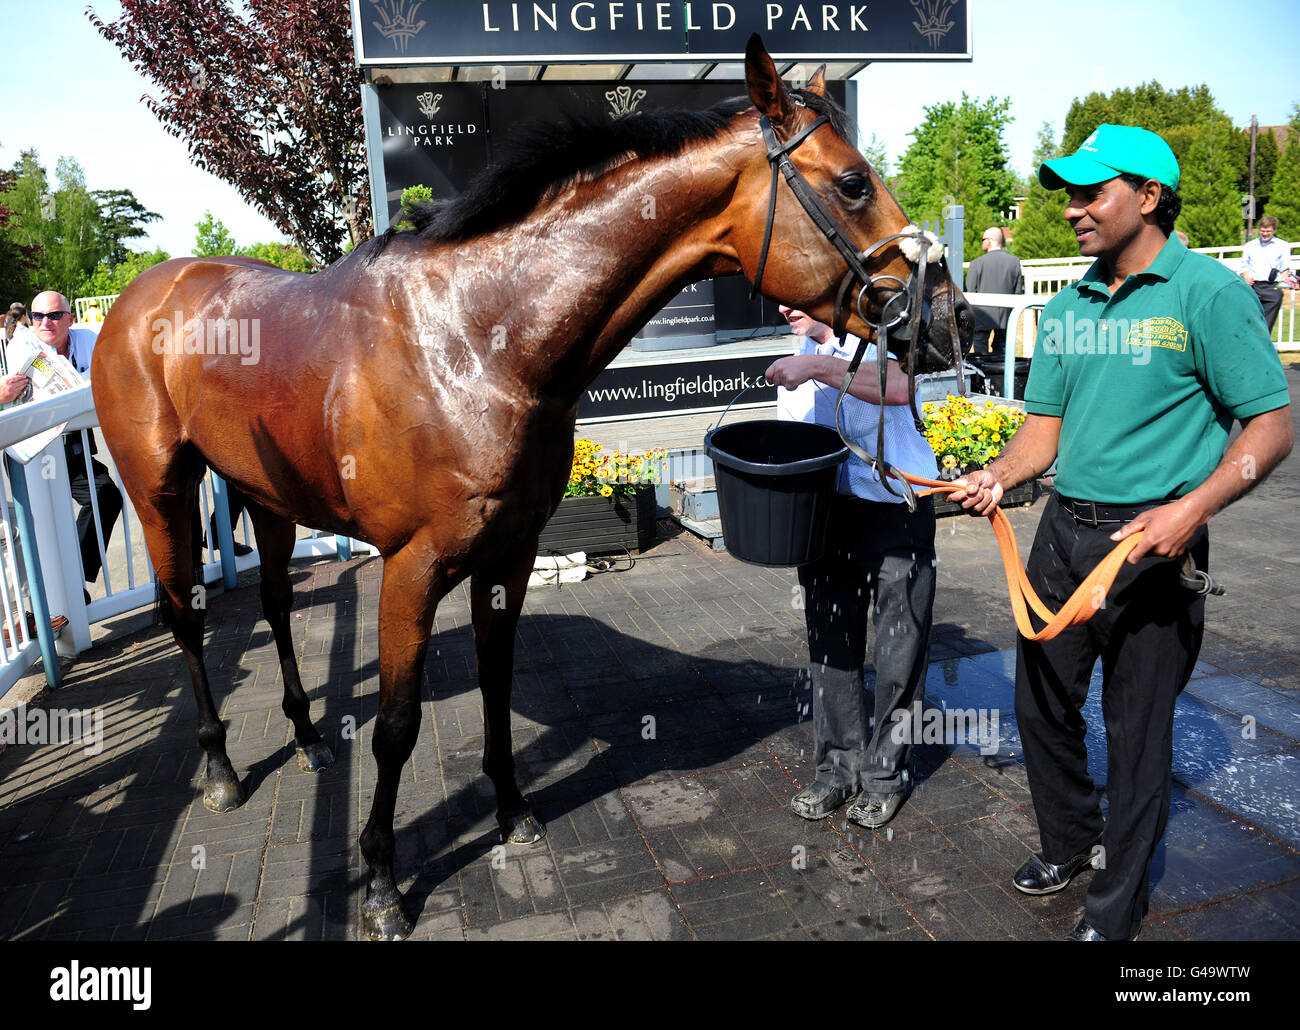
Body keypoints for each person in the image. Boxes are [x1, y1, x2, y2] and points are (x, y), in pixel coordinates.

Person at [950, 124, 1293, 941]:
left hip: (1151, 551)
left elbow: (1272, 427)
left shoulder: (1207, 295)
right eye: (1069, 192)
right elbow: (1045, 434)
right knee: (1040, 709)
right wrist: (998, 474)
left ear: (1149, 197)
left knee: (1138, 740)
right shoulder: (1067, 305)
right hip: (1063, 537)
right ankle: (1070, 844)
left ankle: (1117, 905)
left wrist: (1192, 510)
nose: (1072, 209)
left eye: (1091, 191)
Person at [766, 304, 938, 830]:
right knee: (831, 648)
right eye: (779, 297)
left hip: (895, 511)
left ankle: (886, 775)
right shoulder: (803, 351)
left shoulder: (881, 330)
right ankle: (837, 770)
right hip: (827, 517)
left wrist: (815, 371)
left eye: (796, 296)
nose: (783, 305)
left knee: (899, 651)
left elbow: (900, 386)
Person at [0, 291, 123, 592]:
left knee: (105, 496)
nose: (46, 322)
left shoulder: (87, 340)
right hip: (34, 450)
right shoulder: (20, 345)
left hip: (75, 446)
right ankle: (37, 610)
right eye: (39, 316)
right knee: (39, 528)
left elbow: (114, 377)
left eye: (54, 315)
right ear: (30, 319)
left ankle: (72, 581)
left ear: (69, 318)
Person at [964, 227, 1023, 354]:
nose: (982, 242)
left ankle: (983, 373)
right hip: (1006, 317)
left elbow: (970, 290)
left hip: (981, 315)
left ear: (990, 240)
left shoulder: (977, 263)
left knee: (980, 348)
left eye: (983, 239)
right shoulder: (1014, 262)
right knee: (1002, 351)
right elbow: (1017, 291)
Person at [1240, 216, 1292, 332]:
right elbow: (1244, 265)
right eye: (1263, 231)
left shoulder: (1283, 246)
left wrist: (1281, 288)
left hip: (1273, 287)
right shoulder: (1250, 246)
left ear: (1274, 230)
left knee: (1266, 326)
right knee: (1250, 323)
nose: (1265, 234)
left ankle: (1262, 348)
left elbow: (1285, 268)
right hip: (1253, 287)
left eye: (1268, 231)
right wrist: (1246, 275)